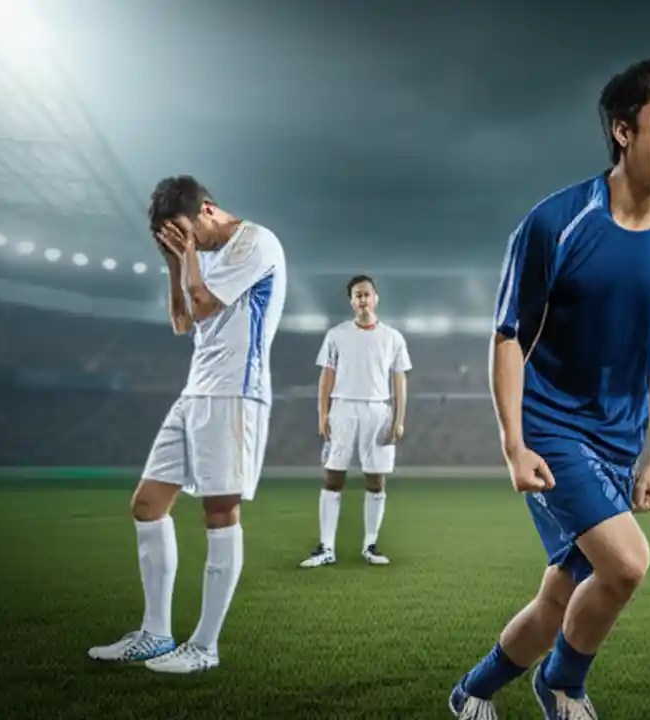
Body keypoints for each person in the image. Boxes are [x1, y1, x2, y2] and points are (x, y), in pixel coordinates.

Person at [449, 58, 650, 719]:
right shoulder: (556, 223)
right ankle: (562, 683)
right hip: (552, 428)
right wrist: (513, 444)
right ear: (624, 131)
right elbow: (509, 335)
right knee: (625, 564)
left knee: (561, 599)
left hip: (618, 442)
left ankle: (473, 691)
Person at [87, 175, 288, 673]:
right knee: (147, 505)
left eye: (184, 232)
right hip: (196, 390)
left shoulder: (255, 242)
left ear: (208, 210)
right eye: (172, 238)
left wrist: (191, 259)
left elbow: (203, 304)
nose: (184, 243)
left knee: (219, 513)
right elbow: (183, 322)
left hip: (235, 393)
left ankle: (204, 646)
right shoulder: (197, 254)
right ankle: (156, 633)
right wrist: (174, 261)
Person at [300, 274, 410, 568]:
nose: (363, 299)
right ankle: (326, 547)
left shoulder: (393, 337)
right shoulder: (337, 335)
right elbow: (326, 378)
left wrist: (399, 419)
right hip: (343, 407)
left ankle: (370, 545)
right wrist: (322, 414)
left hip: (378, 410)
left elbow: (399, 380)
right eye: (357, 295)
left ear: (376, 298)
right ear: (351, 301)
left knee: (376, 479)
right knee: (333, 475)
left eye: (367, 294)